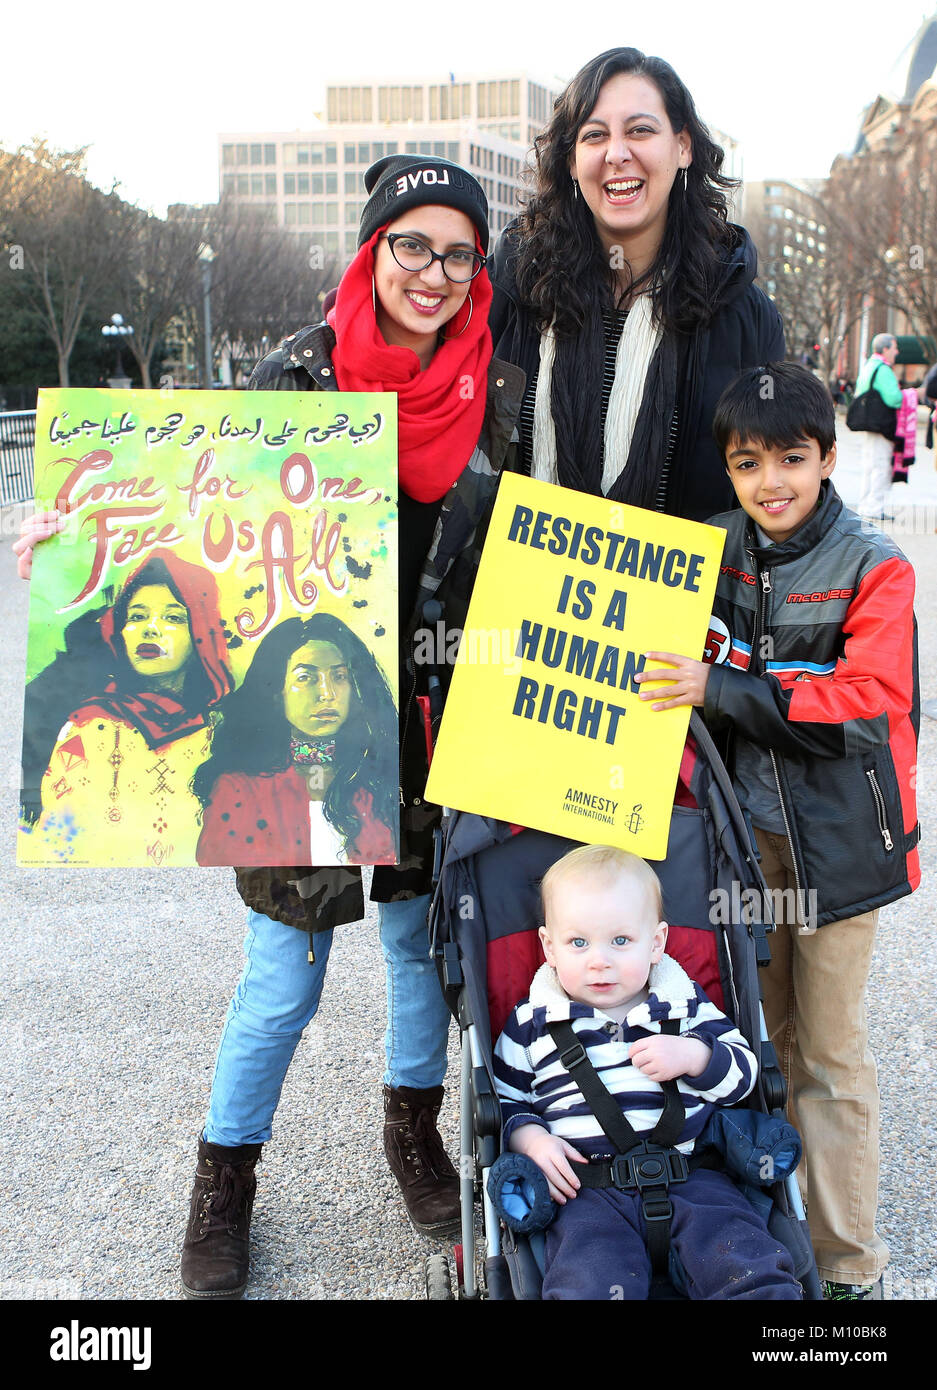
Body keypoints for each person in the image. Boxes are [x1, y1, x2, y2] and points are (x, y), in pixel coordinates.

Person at [635, 362, 920, 1300]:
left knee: (828, 1056)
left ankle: (847, 1268)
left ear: (829, 458)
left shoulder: (875, 564)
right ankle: (763, 1237)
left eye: (791, 459)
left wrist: (724, 689)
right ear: (727, 469)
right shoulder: (705, 551)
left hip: (838, 853)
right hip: (736, 844)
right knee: (751, 1045)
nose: (771, 483)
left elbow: (864, 704)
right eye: (747, 462)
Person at [489, 46, 785, 523]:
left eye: (640, 130)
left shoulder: (743, 314)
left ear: (683, 146)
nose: (617, 154)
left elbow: (779, 479)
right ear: (570, 160)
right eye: (594, 135)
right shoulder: (512, 287)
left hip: (682, 593)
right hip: (514, 590)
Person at [492, 845, 802, 1300]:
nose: (600, 960)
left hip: (695, 1177)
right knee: (589, 1279)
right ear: (549, 947)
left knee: (744, 1260)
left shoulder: (685, 1005)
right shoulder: (531, 1023)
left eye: (621, 941)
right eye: (579, 943)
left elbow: (747, 1074)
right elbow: (504, 1102)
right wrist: (531, 1140)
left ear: (656, 943)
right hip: (587, 1194)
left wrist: (696, 1057)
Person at [20, 548, 232, 866]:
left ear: (201, 634)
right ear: (120, 632)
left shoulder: (226, 730)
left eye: (173, 617)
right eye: (137, 616)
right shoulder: (88, 728)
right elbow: (59, 845)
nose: (150, 628)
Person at [194, 613, 398, 866]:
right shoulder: (239, 788)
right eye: (305, 677)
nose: (327, 694)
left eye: (339, 676)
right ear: (275, 691)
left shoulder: (377, 779)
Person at [853, 332, 902, 520]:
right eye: (894, 347)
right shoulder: (883, 369)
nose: (896, 352)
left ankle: (865, 504)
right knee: (881, 466)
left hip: (868, 424)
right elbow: (894, 398)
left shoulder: (868, 366)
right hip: (881, 425)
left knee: (869, 465)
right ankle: (874, 507)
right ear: (886, 348)